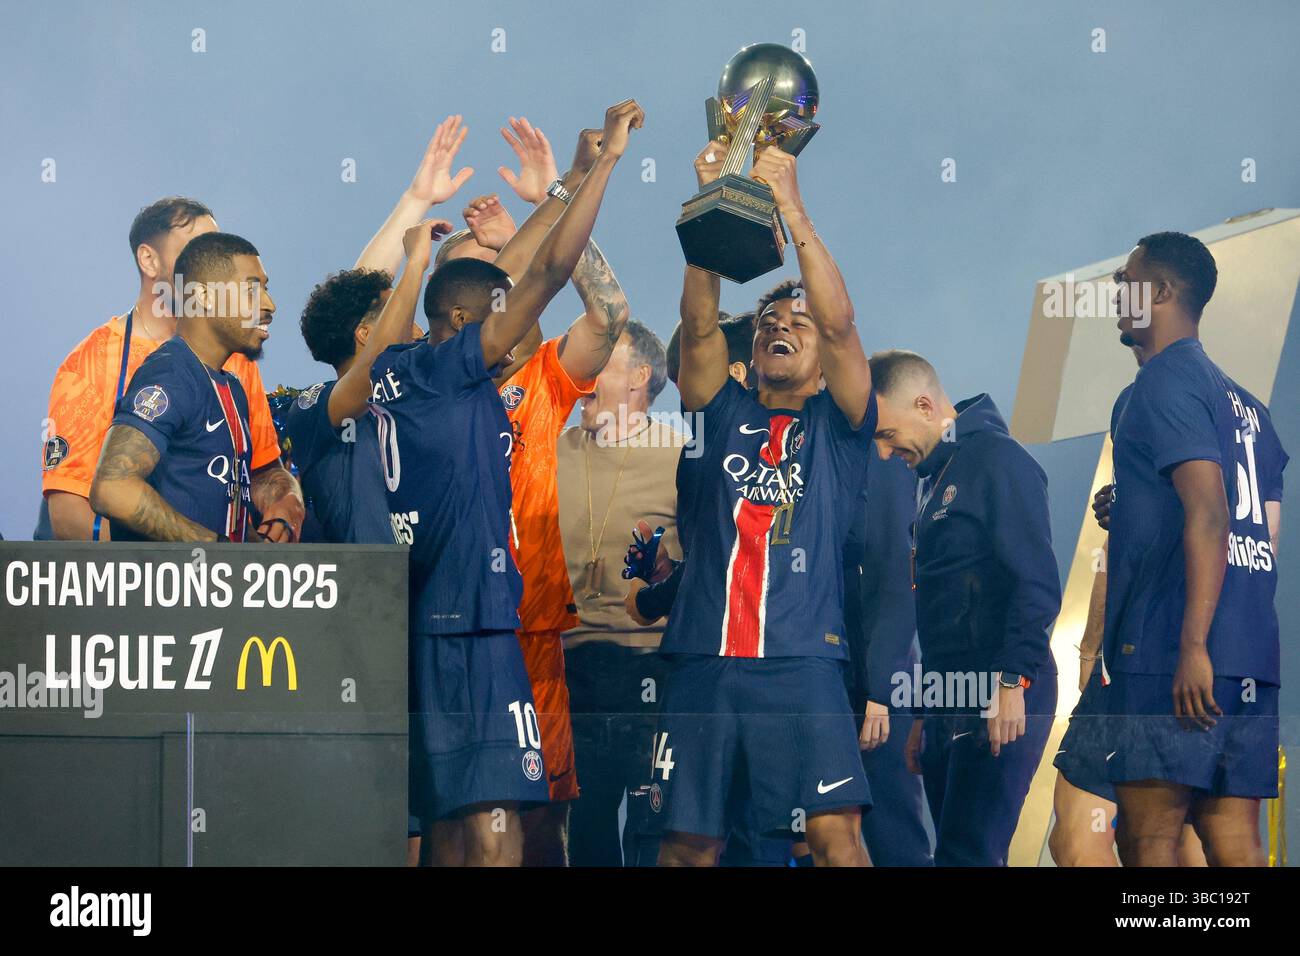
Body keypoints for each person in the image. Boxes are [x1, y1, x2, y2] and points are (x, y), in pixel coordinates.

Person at [369, 101, 643, 867]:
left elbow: (604, 308)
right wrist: (597, 170)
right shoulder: (461, 374)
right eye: (497, 291)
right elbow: (545, 273)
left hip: (517, 621)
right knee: (476, 823)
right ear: (461, 316)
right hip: (480, 621)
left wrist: (557, 191)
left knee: (513, 821)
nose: (513, 298)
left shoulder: (418, 375)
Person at [653, 136, 876, 868]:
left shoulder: (839, 428)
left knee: (834, 836)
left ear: (821, 367)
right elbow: (696, 326)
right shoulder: (719, 409)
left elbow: (842, 326)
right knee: (690, 844)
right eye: (771, 322)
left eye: (797, 323)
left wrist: (791, 210)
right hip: (703, 661)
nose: (781, 324)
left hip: (801, 662)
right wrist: (714, 210)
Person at [1101, 231, 1287, 867]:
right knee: (1235, 843)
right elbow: (1264, 534)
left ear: (1159, 291)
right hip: (1251, 650)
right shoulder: (1253, 410)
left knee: (1148, 838)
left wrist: (1191, 646)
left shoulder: (1160, 384)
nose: (1116, 293)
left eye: (1126, 280)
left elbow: (1209, 514)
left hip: (1169, 647)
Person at [870, 348, 1060, 866]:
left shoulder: (1000, 460)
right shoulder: (930, 477)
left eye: (887, 435)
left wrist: (1010, 681)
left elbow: (1037, 584)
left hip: (1002, 688)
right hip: (947, 699)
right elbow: (940, 608)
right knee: (953, 855)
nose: (885, 454)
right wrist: (926, 717)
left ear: (926, 406)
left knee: (969, 854)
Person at [40, 197, 300, 541]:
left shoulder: (233, 359)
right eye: (199, 246)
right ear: (149, 259)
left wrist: (286, 507)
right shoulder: (92, 364)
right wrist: (180, 570)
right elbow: (73, 515)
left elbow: (256, 473)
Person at [556, 321, 683, 866]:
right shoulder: (549, 447)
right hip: (566, 668)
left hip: (654, 666)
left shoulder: (681, 453)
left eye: (599, 360)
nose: (581, 371)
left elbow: (712, 563)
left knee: (656, 824)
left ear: (640, 377)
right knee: (582, 828)